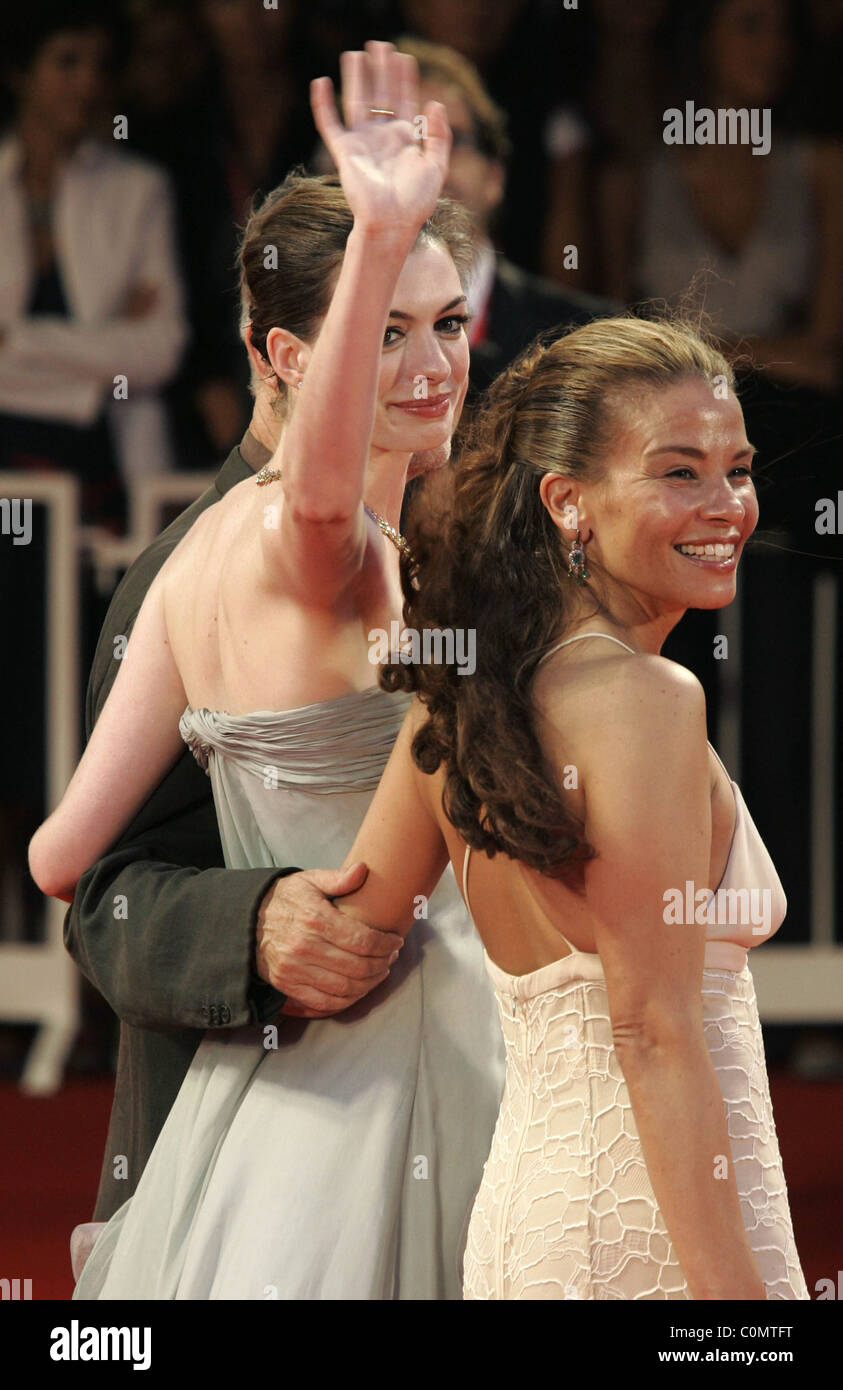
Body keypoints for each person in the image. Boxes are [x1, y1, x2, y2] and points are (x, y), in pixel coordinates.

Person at [33, 41, 505, 1299]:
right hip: (310, 1082)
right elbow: (103, 892)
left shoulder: (419, 540)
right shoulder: (273, 546)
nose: (436, 363)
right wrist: (256, 919)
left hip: (445, 1052)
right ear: (286, 354)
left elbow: (52, 846)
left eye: (451, 324)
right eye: (388, 329)